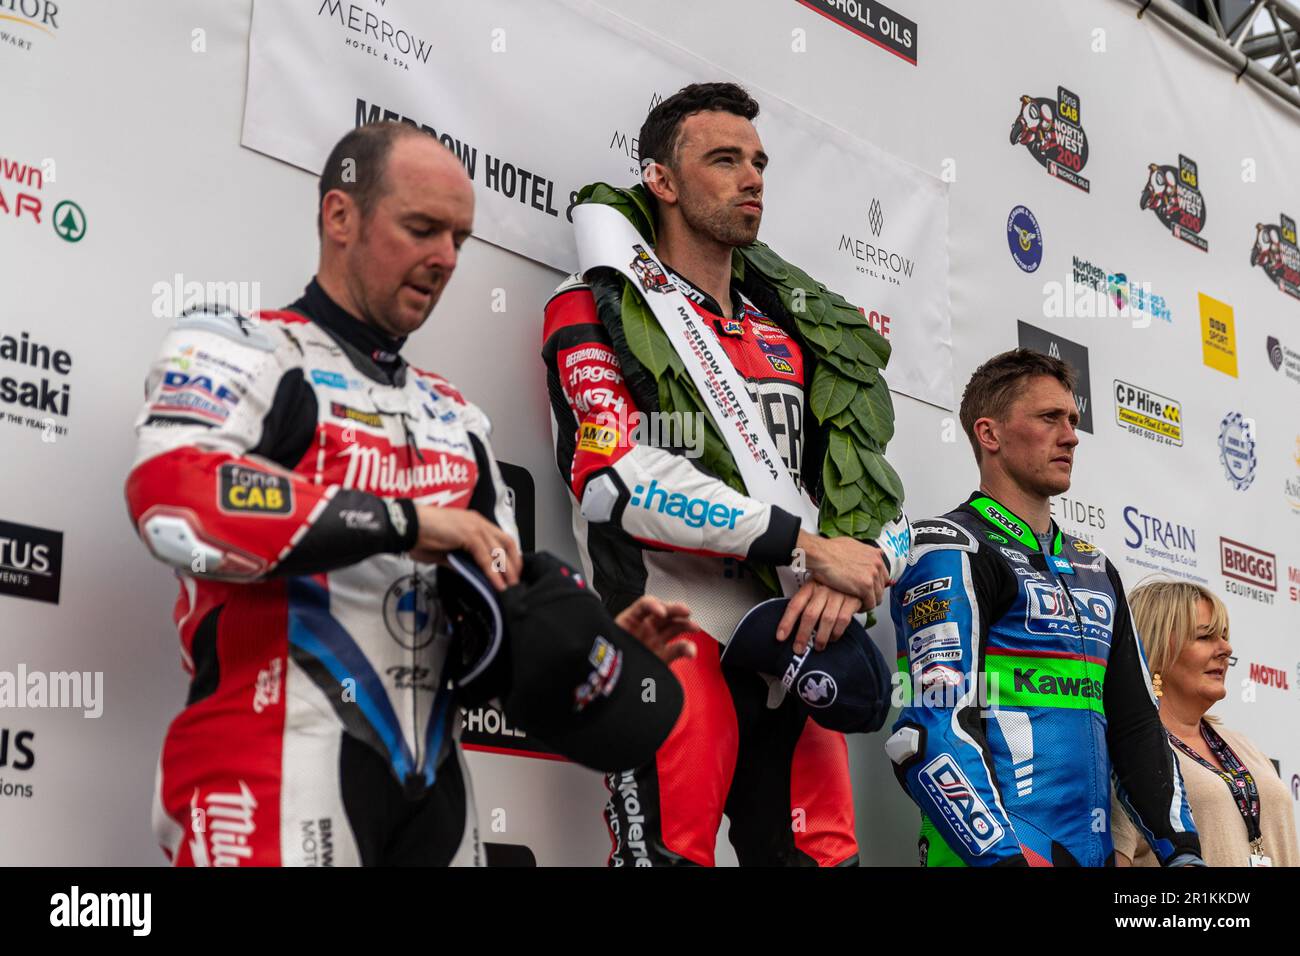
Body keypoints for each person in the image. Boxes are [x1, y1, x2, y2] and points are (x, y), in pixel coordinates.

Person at [125, 122, 694, 867]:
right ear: (340, 217)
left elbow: (489, 635)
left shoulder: (455, 419)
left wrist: (585, 650)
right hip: (268, 764)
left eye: (458, 238)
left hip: (435, 791)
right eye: (421, 229)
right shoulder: (244, 351)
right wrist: (404, 521)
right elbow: (177, 504)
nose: (443, 259)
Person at [541, 82, 891, 866]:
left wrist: (842, 566)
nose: (752, 178)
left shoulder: (793, 340)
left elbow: (856, 498)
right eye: (724, 159)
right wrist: (805, 546)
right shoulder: (590, 304)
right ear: (660, 180)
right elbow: (613, 476)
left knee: (828, 860)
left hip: (793, 645)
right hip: (673, 635)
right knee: (671, 855)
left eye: (759, 162)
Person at [885, 349, 1202, 866]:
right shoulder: (951, 549)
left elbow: (1137, 726)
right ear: (989, 435)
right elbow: (931, 732)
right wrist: (1003, 859)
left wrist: (1183, 852)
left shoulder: (1095, 569)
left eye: (1073, 419)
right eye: (1049, 418)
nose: (1072, 434)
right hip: (988, 856)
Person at [1112, 580, 1299, 867]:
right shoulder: (1131, 753)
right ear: (1155, 648)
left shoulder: (1242, 745)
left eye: (1224, 636)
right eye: (1205, 637)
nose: (1226, 648)